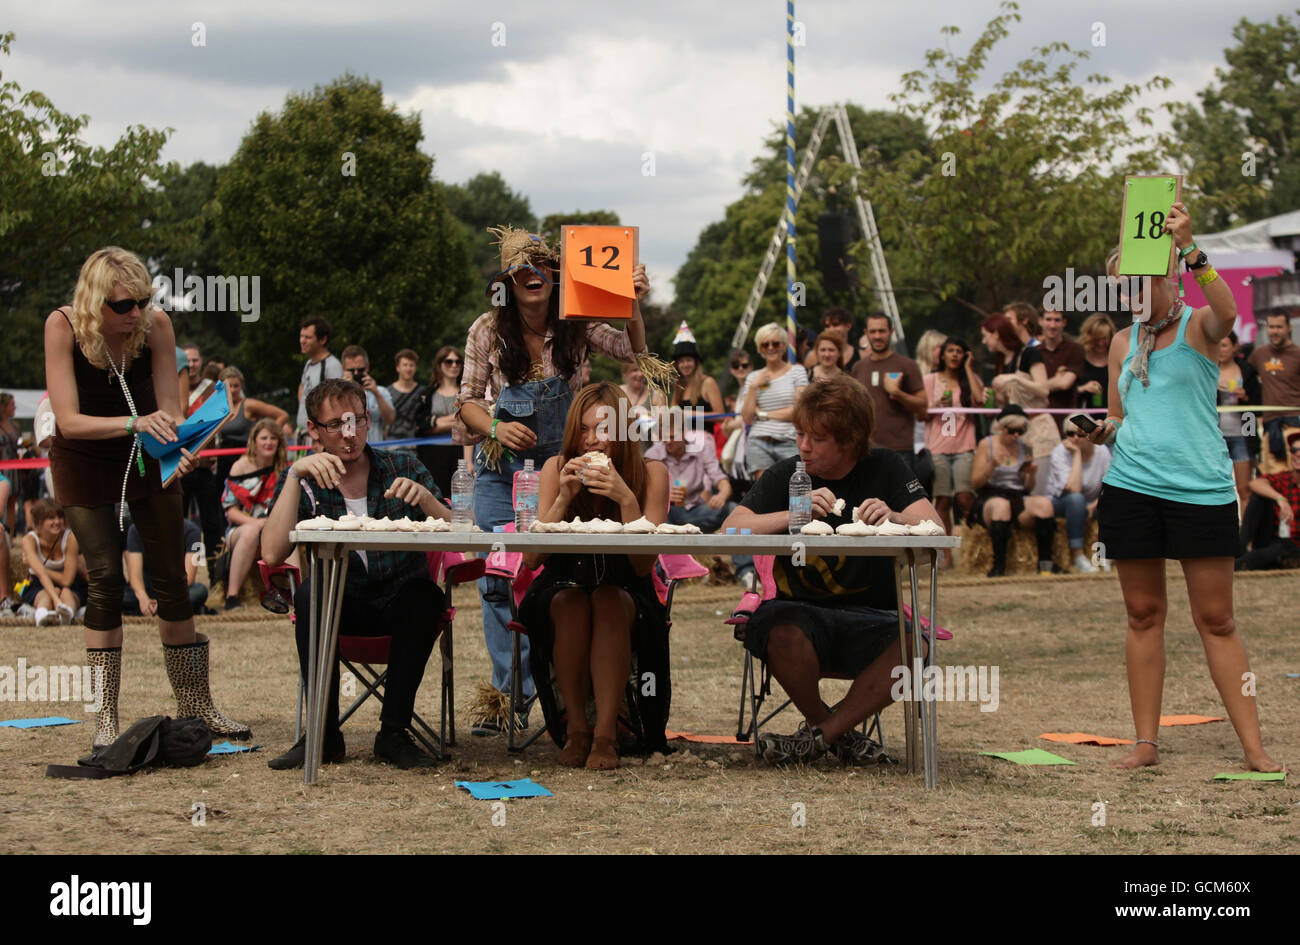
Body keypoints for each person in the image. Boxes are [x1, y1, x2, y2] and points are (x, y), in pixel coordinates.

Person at [1091, 202, 1279, 773]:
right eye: (1124, 287)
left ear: (1170, 280)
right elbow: (1120, 419)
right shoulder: (1123, 343)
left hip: (1199, 488)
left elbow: (1227, 310)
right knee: (1143, 615)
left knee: (1217, 620)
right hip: (1131, 487)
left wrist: (1191, 247)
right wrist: (1101, 432)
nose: (1133, 294)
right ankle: (1146, 744)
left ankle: (1253, 747)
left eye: (1142, 282)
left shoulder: (1199, 324)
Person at [44, 246, 248, 748]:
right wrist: (135, 422)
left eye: (142, 300)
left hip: (147, 454)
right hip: (85, 458)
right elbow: (67, 420)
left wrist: (186, 445)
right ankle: (105, 719)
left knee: (172, 578)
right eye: (121, 305)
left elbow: (171, 411)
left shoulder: (154, 326)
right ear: (94, 303)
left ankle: (197, 708)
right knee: (107, 578)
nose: (135, 312)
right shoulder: (63, 326)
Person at [455, 225, 651, 735]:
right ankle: (510, 696)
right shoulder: (485, 330)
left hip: (566, 469)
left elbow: (634, 352)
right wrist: (497, 425)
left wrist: (631, 301)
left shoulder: (577, 322)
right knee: (500, 579)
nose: (533, 276)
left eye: (541, 267)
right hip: (501, 475)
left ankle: (557, 695)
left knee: (553, 578)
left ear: (555, 275)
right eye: (521, 270)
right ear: (506, 282)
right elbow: (467, 403)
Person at [722, 375, 942, 764]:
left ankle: (818, 737)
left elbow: (934, 529)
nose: (804, 446)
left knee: (915, 648)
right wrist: (792, 514)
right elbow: (730, 529)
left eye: (818, 438)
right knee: (782, 632)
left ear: (851, 439)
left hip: (873, 617)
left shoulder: (885, 466)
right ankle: (833, 733)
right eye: (801, 434)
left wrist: (893, 517)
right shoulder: (788, 472)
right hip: (800, 614)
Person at [261, 378, 452, 770]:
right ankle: (325, 735)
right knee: (311, 594)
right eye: (335, 425)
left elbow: (463, 534)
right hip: (339, 605)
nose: (349, 435)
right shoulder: (305, 480)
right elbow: (271, 551)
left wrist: (430, 501)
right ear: (313, 429)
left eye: (357, 421)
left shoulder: (404, 465)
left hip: (400, 603)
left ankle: (394, 734)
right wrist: (295, 476)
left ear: (368, 419)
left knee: (426, 596)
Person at [518, 382, 671, 770]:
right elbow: (532, 558)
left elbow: (642, 566)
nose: (590, 441)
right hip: (560, 585)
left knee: (605, 598)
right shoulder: (556, 467)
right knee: (571, 601)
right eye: (582, 430)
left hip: (626, 589)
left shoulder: (652, 473)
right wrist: (564, 499)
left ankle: (605, 735)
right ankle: (576, 730)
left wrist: (626, 499)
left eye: (602, 429)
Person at [644, 412, 755, 588]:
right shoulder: (653, 454)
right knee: (657, 517)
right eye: (664, 437)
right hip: (668, 513)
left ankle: (746, 571)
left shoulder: (700, 449)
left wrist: (721, 495)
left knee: (733, 509)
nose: (668, 441)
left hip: (697, 510)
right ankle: (664, 575)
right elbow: (643, 490)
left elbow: (721, 480)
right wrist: (663, 495)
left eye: (672, 436)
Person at [970, 405, 1060, 577]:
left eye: (1021, 431)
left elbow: (1027, 488)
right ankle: (999, 567)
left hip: (1016, 496)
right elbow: (975, 483)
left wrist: (1031, 475)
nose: (1016, 435)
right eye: (1012, 431)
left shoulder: (1025, 447)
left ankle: (1046, 565)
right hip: (990, 495)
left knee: (1045, 504)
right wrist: (992, 466)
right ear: (1001, 428)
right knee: (1001, 506)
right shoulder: (986, 444)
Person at [922, 338, 984, 567]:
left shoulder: (970, 380)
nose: (955, 355)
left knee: (965, 498)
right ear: (943, 355)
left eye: (960, 351)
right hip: (938, 448)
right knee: (943, 501)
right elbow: (922, 412)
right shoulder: (930, 380)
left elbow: (980, 401)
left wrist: (969, 369)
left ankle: (975, 551)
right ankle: (945, 555)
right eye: (951, 351)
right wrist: (937, 403)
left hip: (964, 447)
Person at [221, 419, 289, 610]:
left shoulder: (285, 469)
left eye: (273, 438)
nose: (269, 442)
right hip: (240, 529)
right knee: (250, 532)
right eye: (264, 438)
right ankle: (232, 597)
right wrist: (257, 523)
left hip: (274, 529)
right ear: (254, 441)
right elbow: (231, 510)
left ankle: (295, 594)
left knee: (291, 534)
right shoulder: (240, 466)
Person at [850, 313, 927, 480]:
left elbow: (923, 406)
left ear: (891, 331)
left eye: (882, 331)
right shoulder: (858, 367)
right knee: (865, 503)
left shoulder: (907, 365)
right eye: (873, 331)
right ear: (866, 333)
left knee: (900, 503)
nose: (877, 336)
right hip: (865, 449)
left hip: (899, 449)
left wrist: (897, 393)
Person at [740, 323, 809, 476]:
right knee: (765, 495)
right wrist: (753, 387)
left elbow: (798, 411)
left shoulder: (797, 371)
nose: (771, 348)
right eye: (765, 344)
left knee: (795, 492)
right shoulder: (753, 378)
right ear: (759, 349)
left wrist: (762, 413)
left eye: (775, 343)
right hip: (759, 441)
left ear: (784, 346)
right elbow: (747, 417)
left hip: (789, 440)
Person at [1045, 418, 1111, 573]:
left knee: (1112, 502)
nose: (1075, 438)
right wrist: (1076, 455)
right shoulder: (1060, 452)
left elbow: (1109, 485)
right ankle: (1077, 556)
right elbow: (1074, 488)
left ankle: (1104, 555)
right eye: (1070, 434)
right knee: (1076, 500)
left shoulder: (1101, 451)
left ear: (1089, 435)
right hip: (1061, 502)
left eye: (1080, 434)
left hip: (1092, 502)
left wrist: (1094, 505)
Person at [1235, 429, 1300, 571]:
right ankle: (1240, 549)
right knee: (1258, 497)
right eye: (1294, 450)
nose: (1298, 454)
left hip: (1295, 544)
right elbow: (1254, 484)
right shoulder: (1284, 478)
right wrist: (1281, 499)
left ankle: (1246, 562)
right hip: (1275, 540)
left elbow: (1249, 414)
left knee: (1271, 554)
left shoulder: (1249, 416)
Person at [214, 366, 291, 482]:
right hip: (223, 460)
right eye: (229, 386)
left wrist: (268, 435)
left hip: (247, 457)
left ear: (241, 387)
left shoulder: (248, 404)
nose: (233, 390)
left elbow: (283, 415)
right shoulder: (219, 408)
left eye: (236, 386)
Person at [123, 515, 208, 617]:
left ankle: (158, 609)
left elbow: (188, 577)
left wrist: (165, 601)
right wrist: (143, 598)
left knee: (200, 591)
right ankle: (166, 609)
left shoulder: (193, 531)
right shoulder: (135, 529)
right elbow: (134, 576)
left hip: (176, 591)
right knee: (119, 597)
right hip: (147, 589)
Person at [1248, 309, 1300, 474]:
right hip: (1270, 425)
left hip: (1295, 424)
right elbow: (1246, 379)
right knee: (1272, 476)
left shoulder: (1298, 354)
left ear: (1289, 328)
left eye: (1279, 327)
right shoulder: (1259, 354)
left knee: (1296, 476)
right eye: (1271, 327)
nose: (1275, 331)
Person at [20, 499, 85, 626]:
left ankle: (67, 615)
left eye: (60, 517)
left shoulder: (71, 538)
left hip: (70, 585)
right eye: (51, 518)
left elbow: (67, 580)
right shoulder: (29, 540)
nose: (57, 522)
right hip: (39, 584)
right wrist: (56, 599)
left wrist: (37, 566)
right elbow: (41, 575)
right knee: (46, 596)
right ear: (39, 522)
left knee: (66, 592)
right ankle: (42, 615)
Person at [1217, 331, 1261, 511]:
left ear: (1235, 347)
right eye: (1218, 344)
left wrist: (1245, 397)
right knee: (1217, 489)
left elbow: (1258, 404)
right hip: (1216, 437)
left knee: (1244, 489)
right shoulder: (1208, 369)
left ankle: (1245, 537)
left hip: (1242, 436)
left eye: (1225, 345)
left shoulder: (1246, 371)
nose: (1220, 350)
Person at [422, 345, 464, 500]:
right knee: (436, 497)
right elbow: (422, 425)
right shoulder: (428, 394)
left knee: (460, 499)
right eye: (448, 362)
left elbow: (471, 421)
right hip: (433, 453)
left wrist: (438, 422)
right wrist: (456, 419)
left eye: (457, 362)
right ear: (439, 365)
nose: (454, 365)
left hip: (461, 451)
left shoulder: (467, 392)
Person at [296, 317, 343, 447]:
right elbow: (302, 387)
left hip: (319, 437)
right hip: (304, 432)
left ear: (322, 340)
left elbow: (335, 401)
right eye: (301, 336)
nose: (302, 341)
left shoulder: (331, 365)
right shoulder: (308, 364)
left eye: (308, 337)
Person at [670, 322, 723, 432]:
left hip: (703, 439)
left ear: (696, 362)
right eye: (681, 361)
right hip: (682, 441)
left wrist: (689, 414)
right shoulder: (679, 384)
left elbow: (721, 416)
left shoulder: (707, 382)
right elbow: (673, 412)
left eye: (688, 360)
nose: (685, 365)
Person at [1039, 309, 1087, 428]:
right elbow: (1026, 390)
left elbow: (1064, 384)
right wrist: (1055, 380)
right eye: (1048, 319)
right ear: (1040, 321)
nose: (1052, 325)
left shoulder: (1076, 350)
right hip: (1039, 422)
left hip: (1068, 423)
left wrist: (1036, 386)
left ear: (1064, 323)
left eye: (1057, 320)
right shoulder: (1032, 352)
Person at [340, 345, 395, 445]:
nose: (356, 374)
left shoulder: (381, 391)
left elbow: (390, 419)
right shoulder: (336, 394)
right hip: (348, 450)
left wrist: (376, 394)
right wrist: (344, 391)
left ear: (367, 367)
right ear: (343, 369)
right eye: (351, 371)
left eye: (360, 370)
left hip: (375, 450)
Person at [386, 348, 431, 453]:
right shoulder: (388, 392)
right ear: (398, 367)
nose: (408, 368)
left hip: (416, 446)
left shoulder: (423, 392)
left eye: (412, 365)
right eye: (405, 365)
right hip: (392, 445)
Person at [1076, 312, 1116, 409]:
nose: (1101, 343)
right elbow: (1066, 392)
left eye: (1105, 338)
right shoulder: (1078, 358)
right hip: (1084, 413)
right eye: (1097, 339)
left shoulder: (1116, 358)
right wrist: (1083, 388)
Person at [803, 307, 858, 373]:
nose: (831, 329)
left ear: (848, 326)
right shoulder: (813, 356)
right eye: (827, 326)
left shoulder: (861, 355)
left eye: (835, 324)